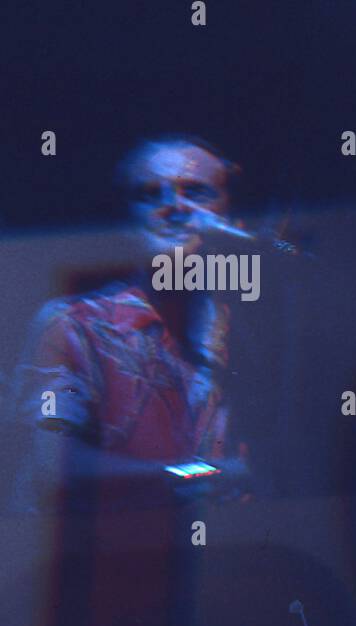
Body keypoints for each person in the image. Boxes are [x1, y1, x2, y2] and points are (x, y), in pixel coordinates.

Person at [9, 135, 249, 513]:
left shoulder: (251, 327)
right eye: (151, 194)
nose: (174, 206)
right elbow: (53, 462)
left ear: (229, 213)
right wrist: (185, 476)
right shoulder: (72, 324)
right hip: (101, 555)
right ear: (126, 220)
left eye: (196, 192)